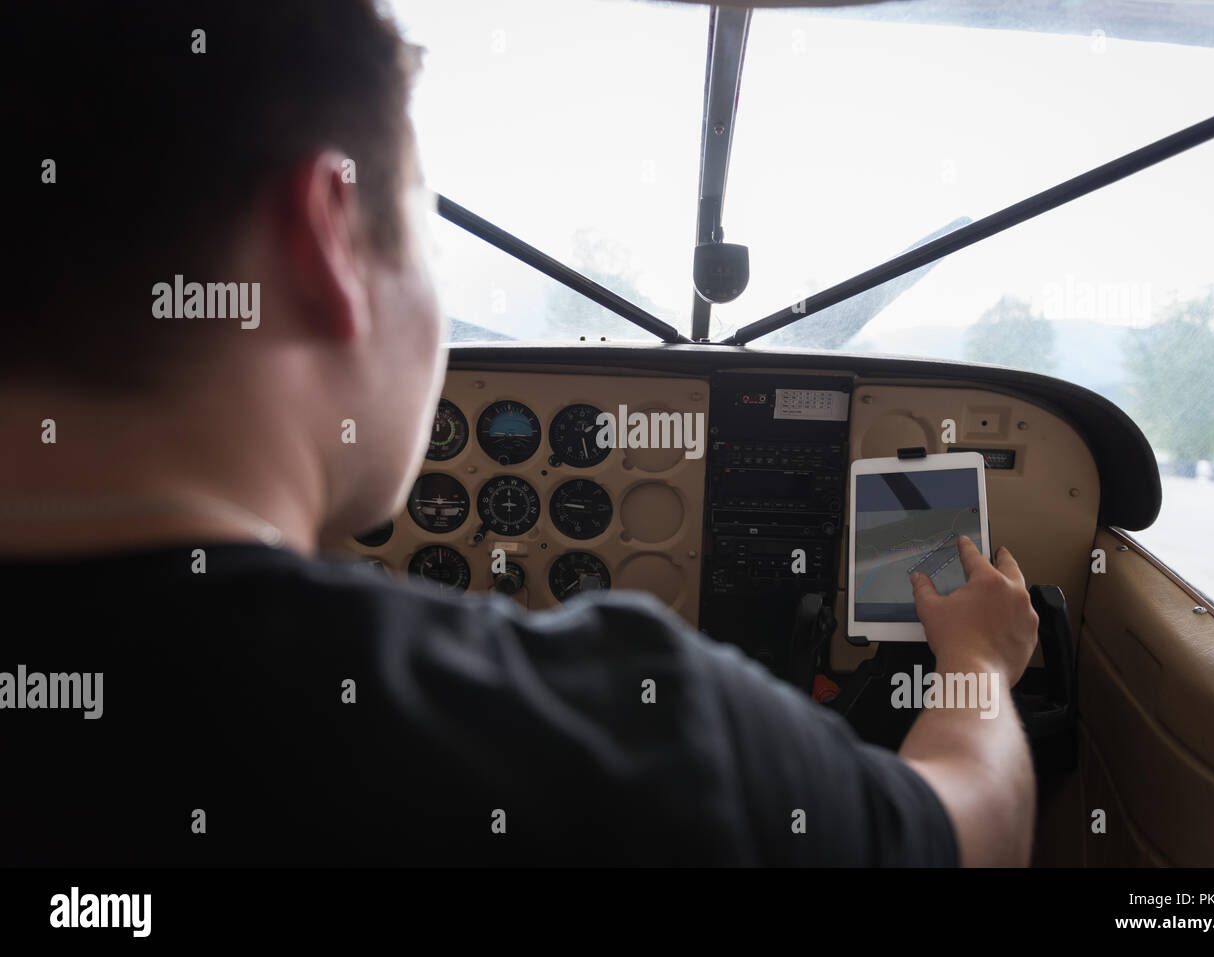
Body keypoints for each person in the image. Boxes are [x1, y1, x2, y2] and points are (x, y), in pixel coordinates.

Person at [2, 0, 1038, 866]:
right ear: (324, 239)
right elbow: (970, 830)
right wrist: (977, 666)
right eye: (419, 236)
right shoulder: (630, 736)